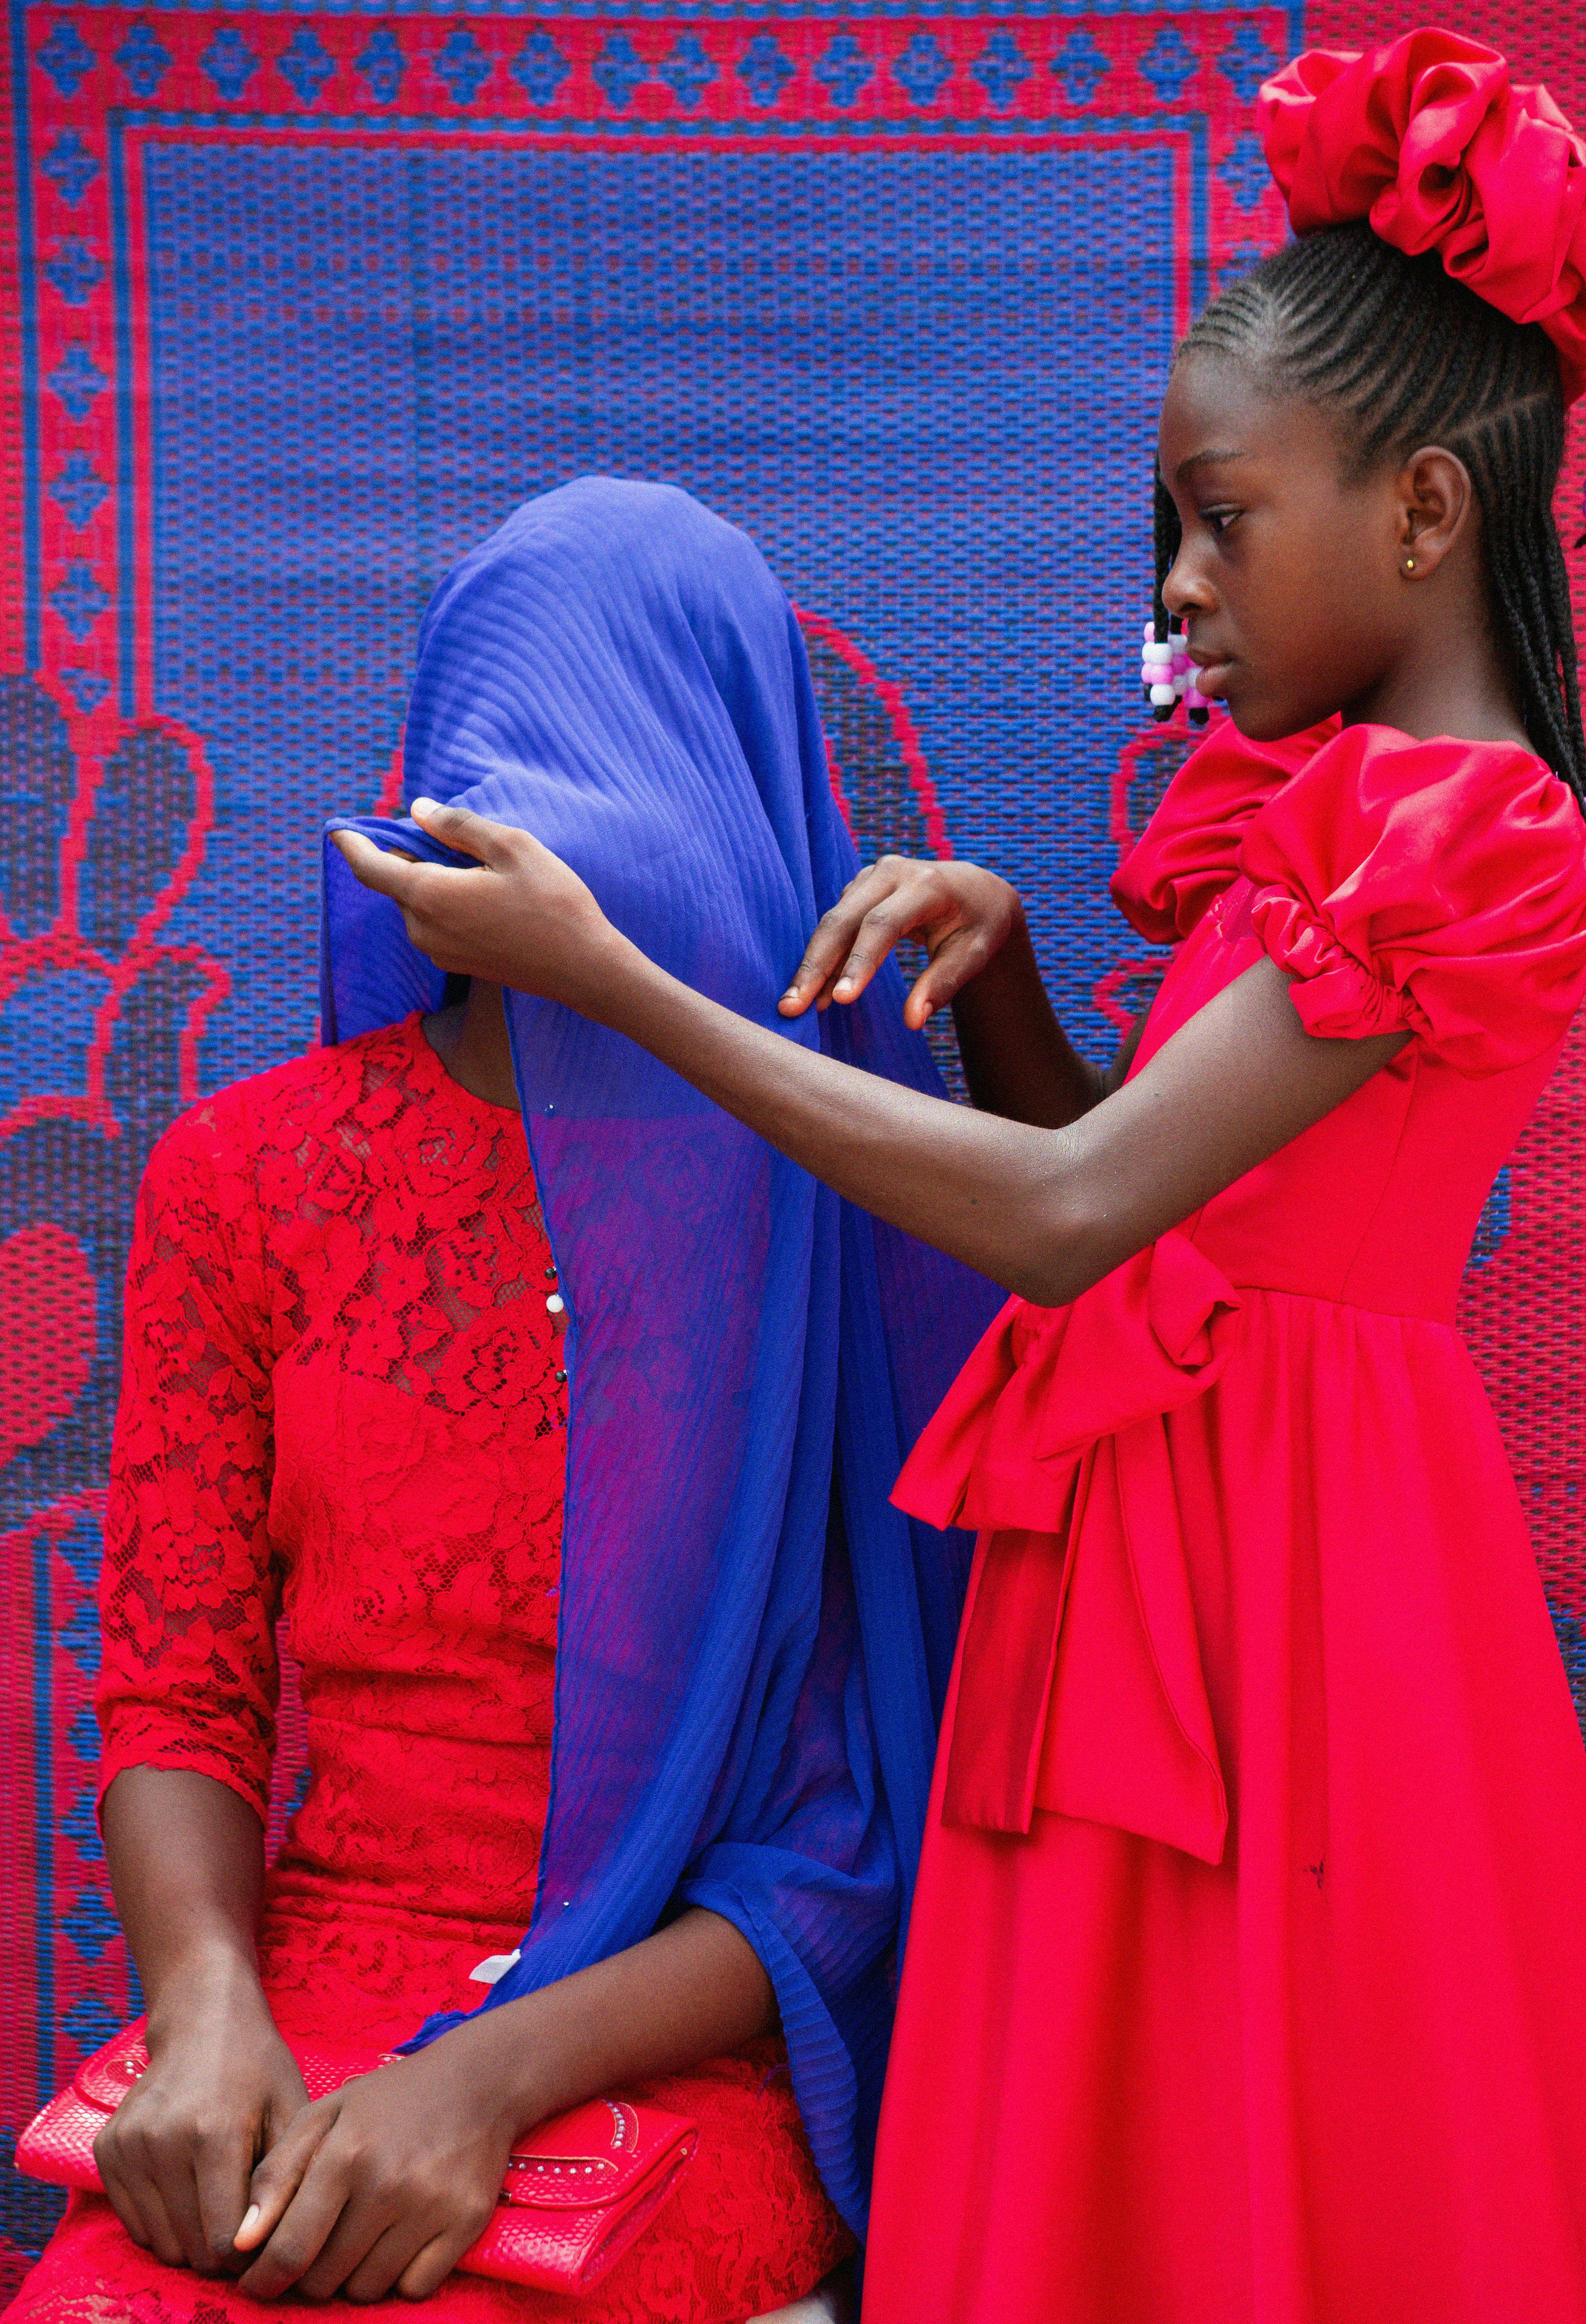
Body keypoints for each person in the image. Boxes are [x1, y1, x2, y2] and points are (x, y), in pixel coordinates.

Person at [330, 31, 1586, 2320]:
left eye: (1223, 515)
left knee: (1307, 2126)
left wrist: (620, 986)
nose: (1179, 584)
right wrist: (997, 974)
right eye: (1172, 524)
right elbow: (1134, 1169)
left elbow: (1074, 1221)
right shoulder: (1346, 819)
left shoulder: (1465, 837)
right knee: (1165, 2146)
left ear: (1422, 515)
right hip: (1184, 1542)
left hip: (1296, 1590)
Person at [10, 482, 996, 2324]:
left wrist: (486, 2080)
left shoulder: (844, 1188)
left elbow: (860, 1817)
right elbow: (177, 1687)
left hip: (670, 2035)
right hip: (305, 1993)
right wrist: (206, 2007)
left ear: (745, 789)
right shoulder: (250, 1175)